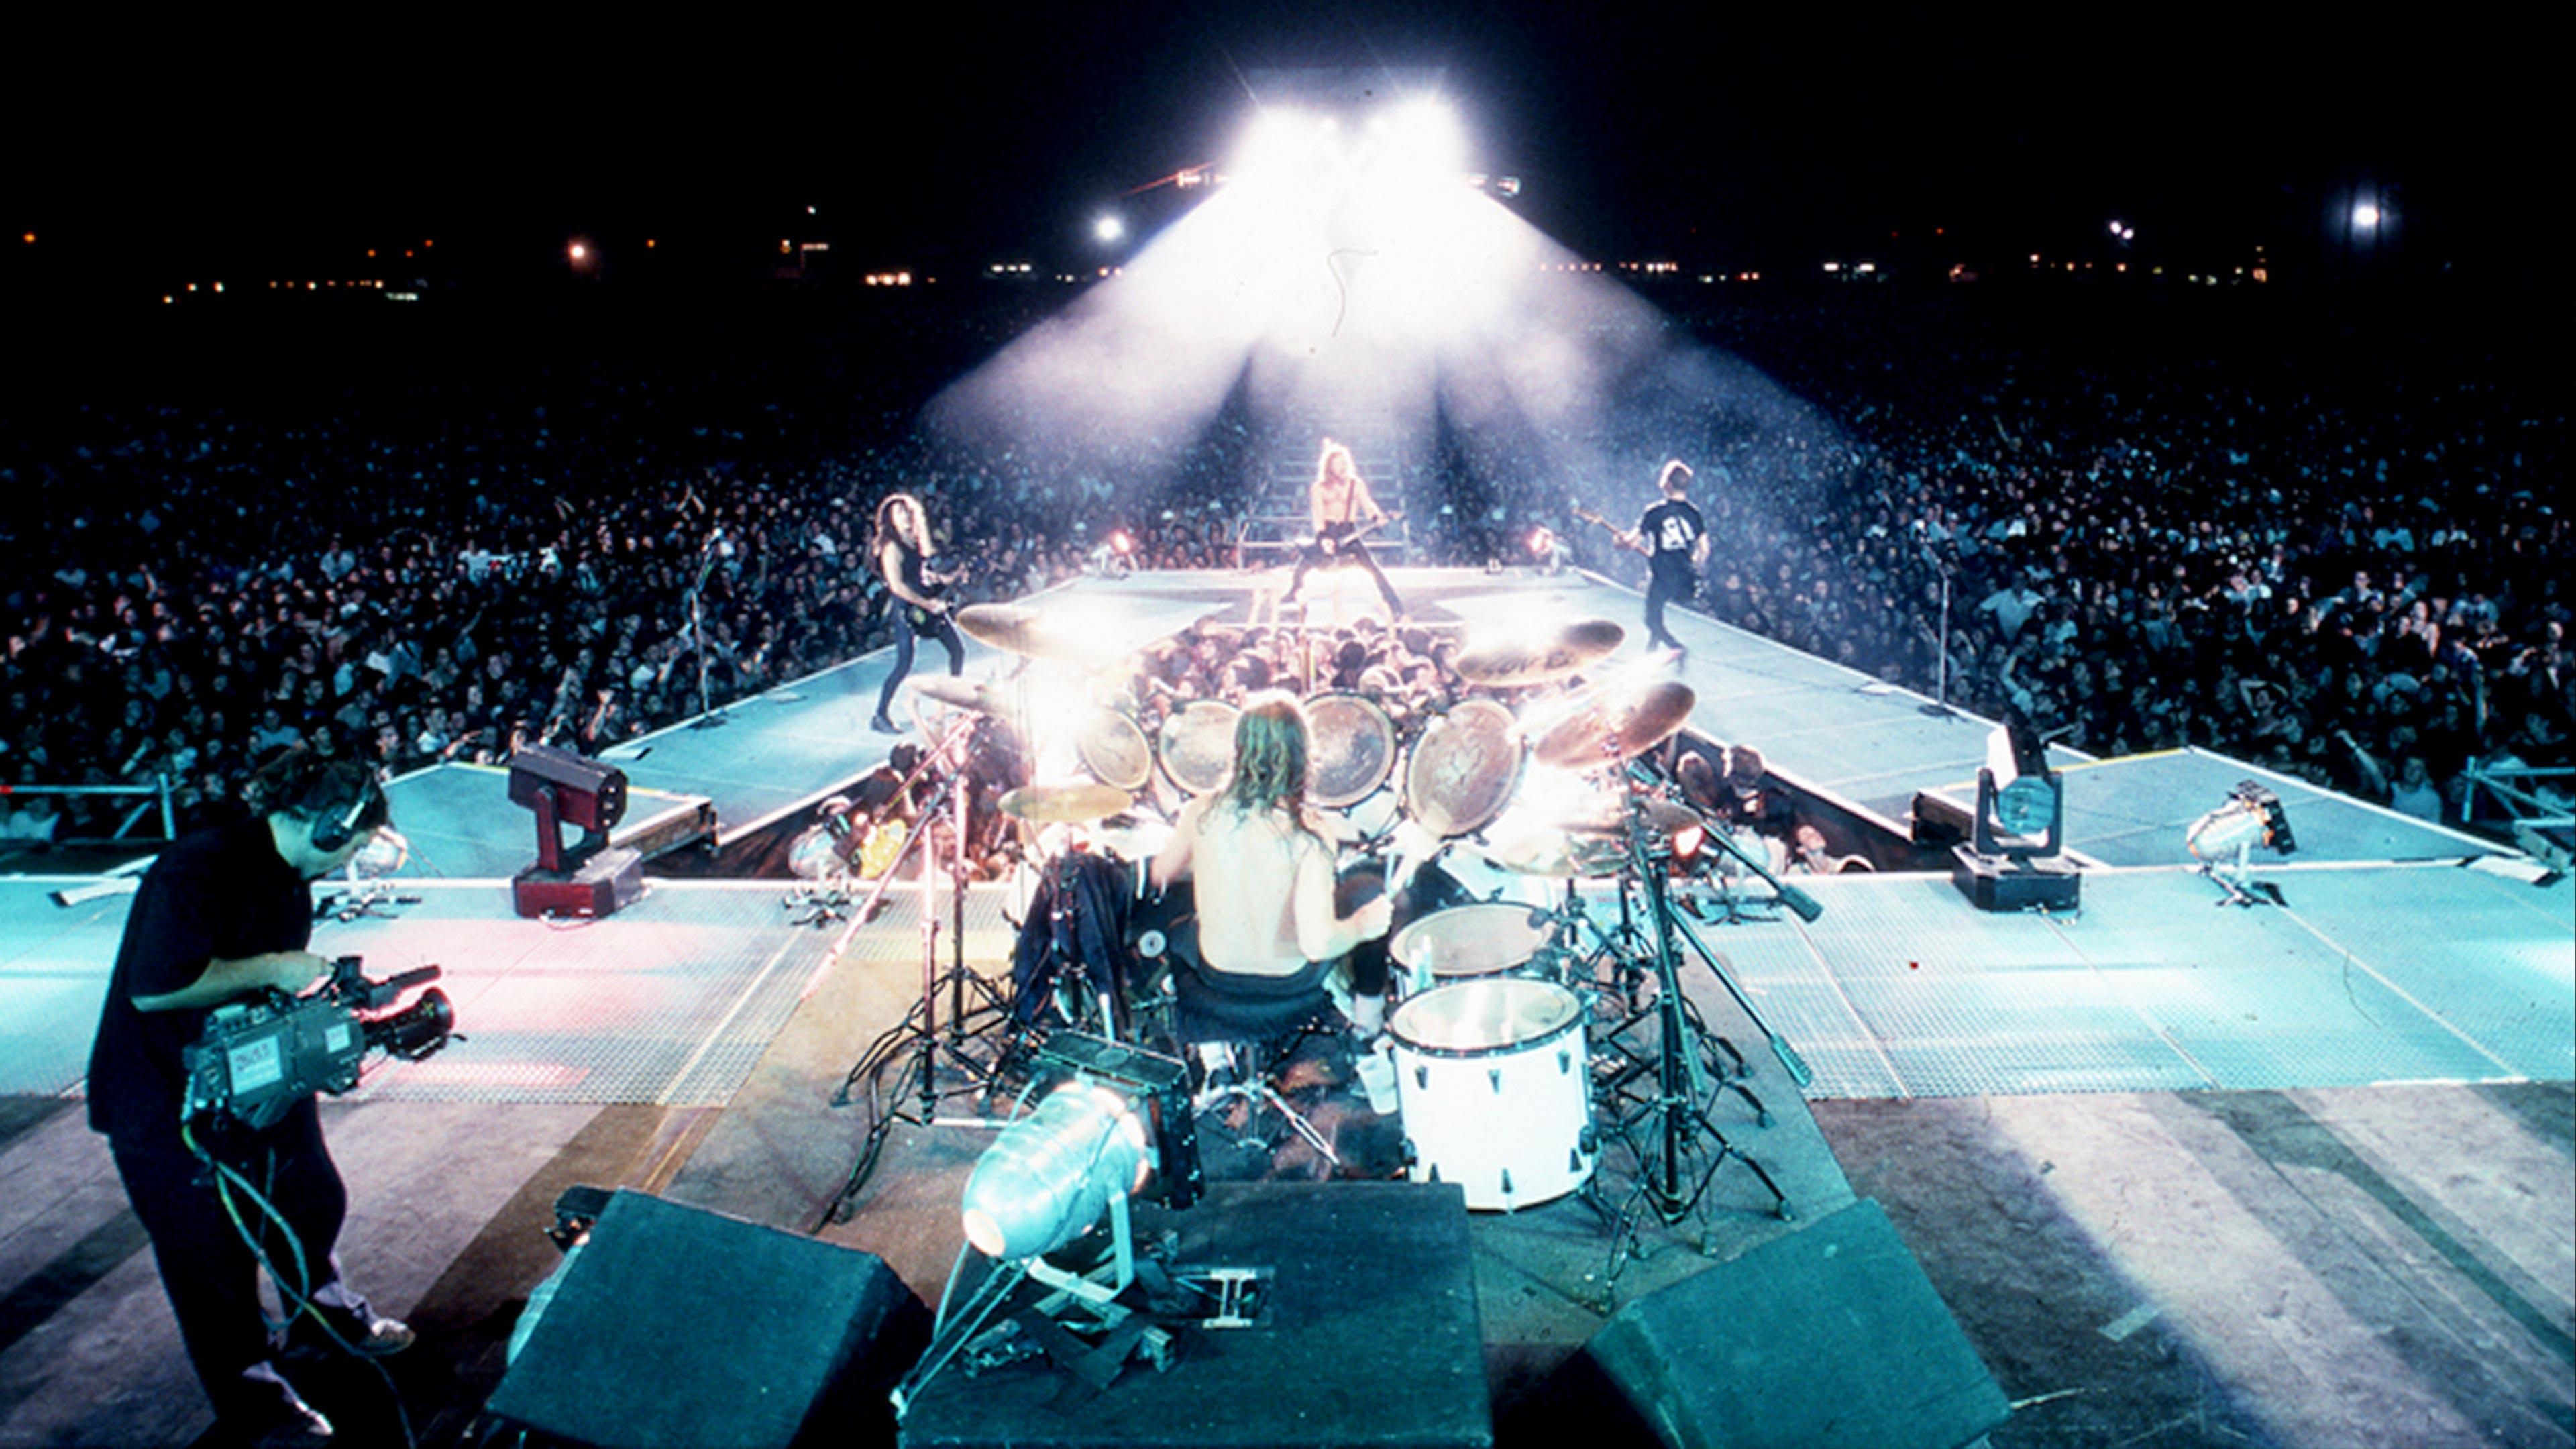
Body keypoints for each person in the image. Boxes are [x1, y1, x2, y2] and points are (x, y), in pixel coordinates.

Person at [85, 756, 408, 1446]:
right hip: (164, 1101)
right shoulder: (200, 867)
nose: (352, 856)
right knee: (210, 1260)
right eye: (351, 842)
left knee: (311, 1196)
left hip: (252, 1078)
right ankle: (254, 1398)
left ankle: (323, 1322)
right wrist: (273, 968)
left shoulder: (290, 881)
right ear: (325, 827)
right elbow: (156, 988)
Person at [1150, 693, 1396, 1036]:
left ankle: (1215, 1059)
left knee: (1178, 919)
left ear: (1238, 749)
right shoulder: (1309, 834)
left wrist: (1213, 865)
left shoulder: (1200, 812)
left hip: (1215, 974)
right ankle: (1368, 1025)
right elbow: (1319, 944)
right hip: (1287, 982)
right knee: (1369, 892)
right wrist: (1361, 925)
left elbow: (1159, 874)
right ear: (1303, 755)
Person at [870, 492, 965, 735]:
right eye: (898, 513)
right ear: (891, 518)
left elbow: (925, 574)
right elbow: (897, 586)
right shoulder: (892, 547)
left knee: (957, 651)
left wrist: (950, 578)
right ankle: (880, 715)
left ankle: (953, 699)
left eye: (906, 512)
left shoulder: (915, 540)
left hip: (926, 602)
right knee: (904, 663)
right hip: (908, 609)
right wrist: (926, 604)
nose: (904, 517)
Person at [1282, 439, 1403, 620]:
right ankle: (1292, 595)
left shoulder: (1356, 484)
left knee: (1372, 567)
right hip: (1328, 529)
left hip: (1349, 530)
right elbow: (1318, 514)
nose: (1343, 467)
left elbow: (1367, 504)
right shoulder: (1319, 487)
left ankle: (1394, 604)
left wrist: (1377, 517)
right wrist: (1323, 537)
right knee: (1305, 564)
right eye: (1338, 464)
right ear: (1329, 466)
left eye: (1345, 463)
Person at [1614, 459, 1710, 655]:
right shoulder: (1695, 514)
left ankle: (1675, 647)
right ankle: (1651, 651)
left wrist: (1619, 541)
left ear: (1667, 484)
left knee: (1651, 618)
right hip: (1684, 575)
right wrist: (1694, 564)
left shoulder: (1655, 512)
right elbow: (1704, 549)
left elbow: (1631, 543)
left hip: (1662, 575)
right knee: (1657, 614)